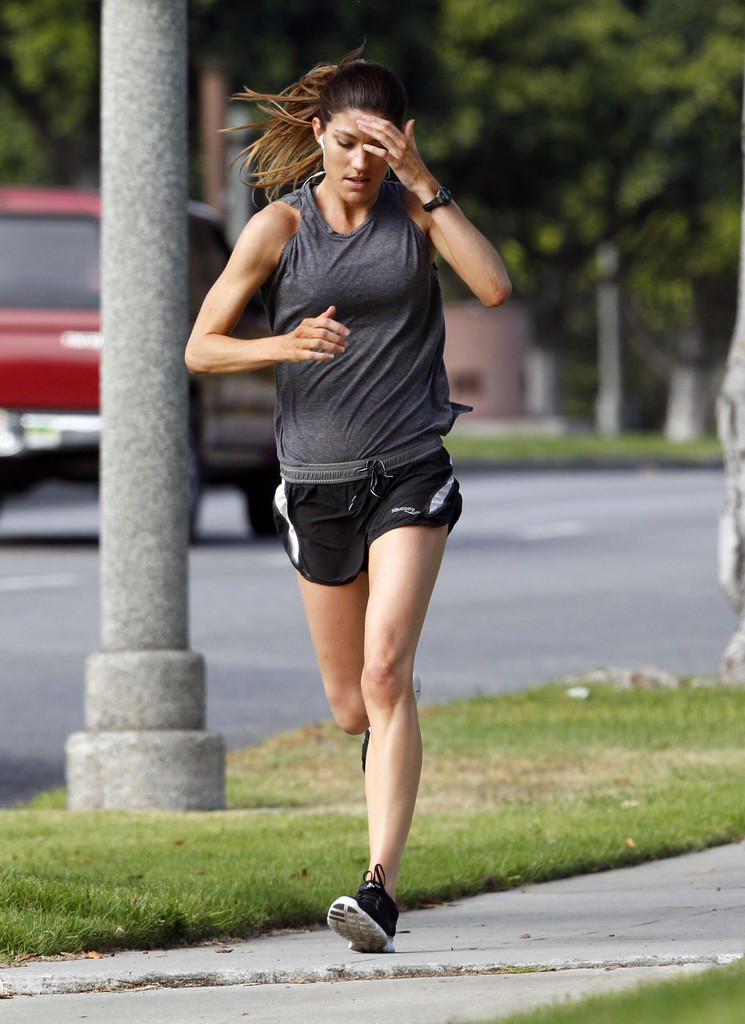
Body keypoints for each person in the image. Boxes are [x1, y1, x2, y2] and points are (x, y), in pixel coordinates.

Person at [185, 52, 511, 954]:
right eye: (347, 140)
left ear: (398, 140)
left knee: (382, 674)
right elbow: (201, 350)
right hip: (314, 484)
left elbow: (491, 286)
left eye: (380, 143)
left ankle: (378, 890)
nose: (361, 159)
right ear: (319, 135)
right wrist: (282, 345)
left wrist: (426, 182)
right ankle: (393, 717)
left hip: (408, 467)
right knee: (351, 706)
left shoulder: (417, 213)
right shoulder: (278, 228)